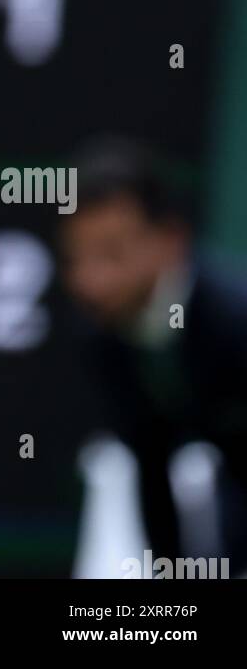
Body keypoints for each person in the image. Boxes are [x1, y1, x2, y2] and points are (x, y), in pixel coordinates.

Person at [58, 136, 247, 575]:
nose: (91, 281)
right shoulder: (101, 334)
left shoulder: (235, 322)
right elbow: (151, 464)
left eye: (111, 254)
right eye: (76, 258)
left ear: (170, 240)